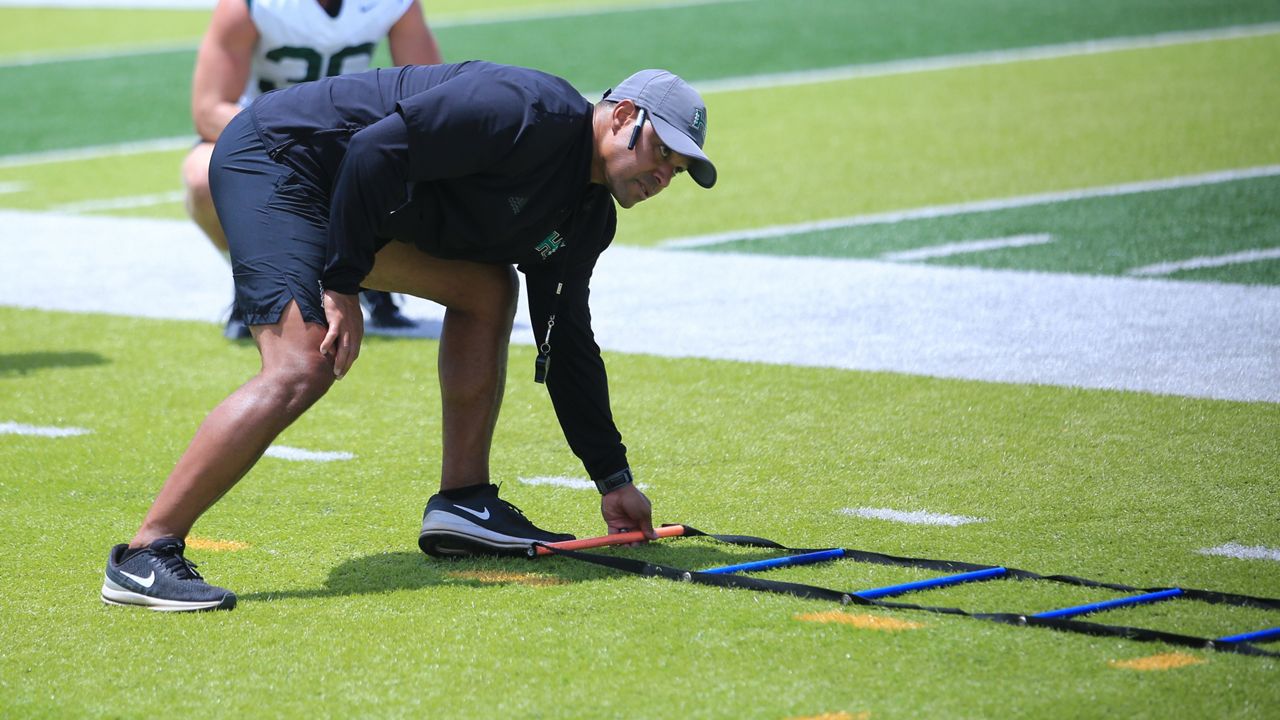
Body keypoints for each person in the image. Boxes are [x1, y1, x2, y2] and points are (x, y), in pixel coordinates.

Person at [101, 62, 718, 611]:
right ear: (625, 117)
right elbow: (374, 150)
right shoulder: (522, 108)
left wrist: (613, 480)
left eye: (679, 169)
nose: (665, 175)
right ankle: (145, 553)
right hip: (280, 158)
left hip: (349, 196)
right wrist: (343, 282)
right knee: (302, 364)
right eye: (663, 152)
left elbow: (569, 345)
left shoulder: (586, 217)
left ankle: (463, 502)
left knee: (487, 289)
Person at [181, 0, 443, 338]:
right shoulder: (251, 6)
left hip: (344, 135)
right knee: (202, 177)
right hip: (263, 135)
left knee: (424, 156)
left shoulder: (394, 5)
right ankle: (251, 277)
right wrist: (300, 145)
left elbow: (431, 97)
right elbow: (209, 110)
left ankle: (375, 270)